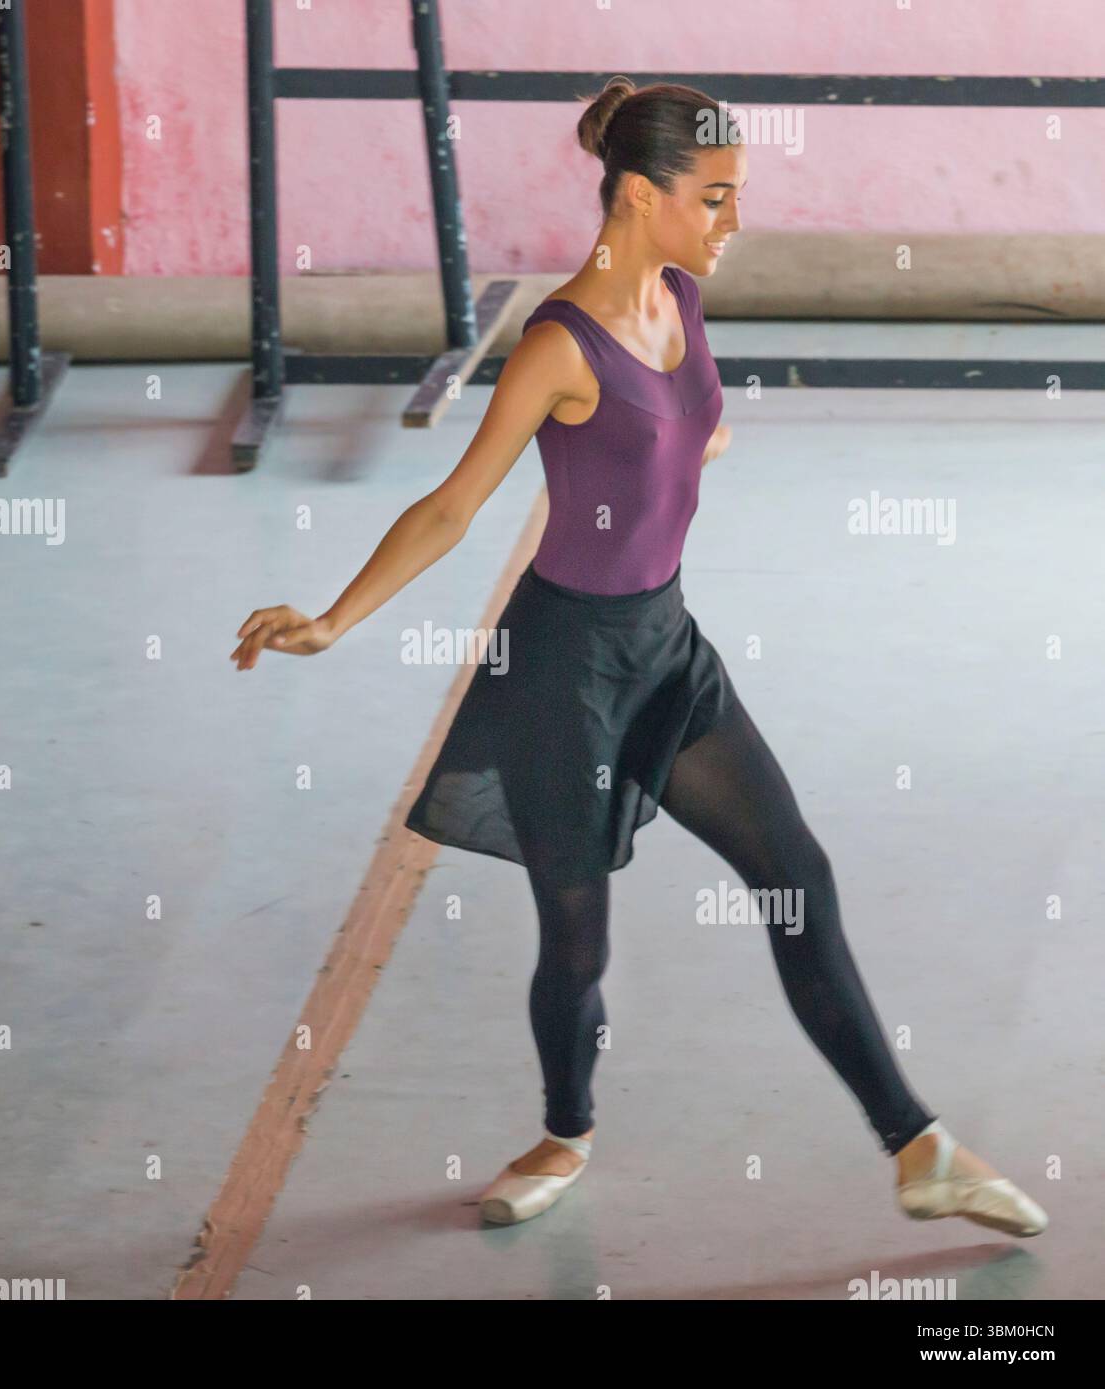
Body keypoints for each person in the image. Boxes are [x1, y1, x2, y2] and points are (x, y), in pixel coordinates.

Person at [233, 77, 1048, 1238]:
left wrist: (681, 449)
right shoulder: (557, 346)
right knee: (577, 941)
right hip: (563, 672)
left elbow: (686, 425)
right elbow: (452, 507)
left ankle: (919, 1148)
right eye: (712, 199)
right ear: (633, 194)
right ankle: (565, 1130)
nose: (731, 223)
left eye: (736, 199)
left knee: (795, 876)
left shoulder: (678, 296)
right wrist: (328, 619)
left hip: (665, 649)